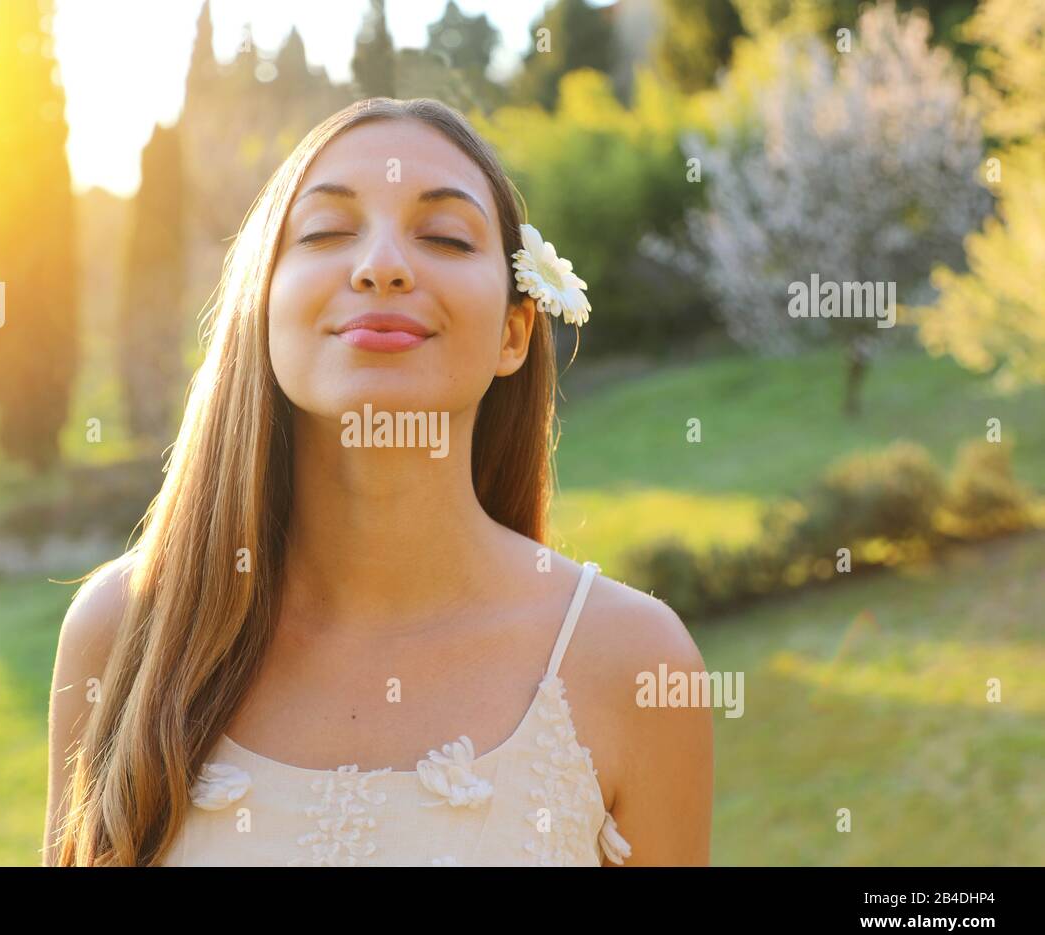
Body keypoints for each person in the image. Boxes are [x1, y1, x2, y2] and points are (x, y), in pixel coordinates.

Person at [43, 97, 712, 866]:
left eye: (445, 236)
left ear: (512, 333)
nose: (383, 265)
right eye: (327, 231)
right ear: (261, 306)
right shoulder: (120, 633)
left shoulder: (633, 663)